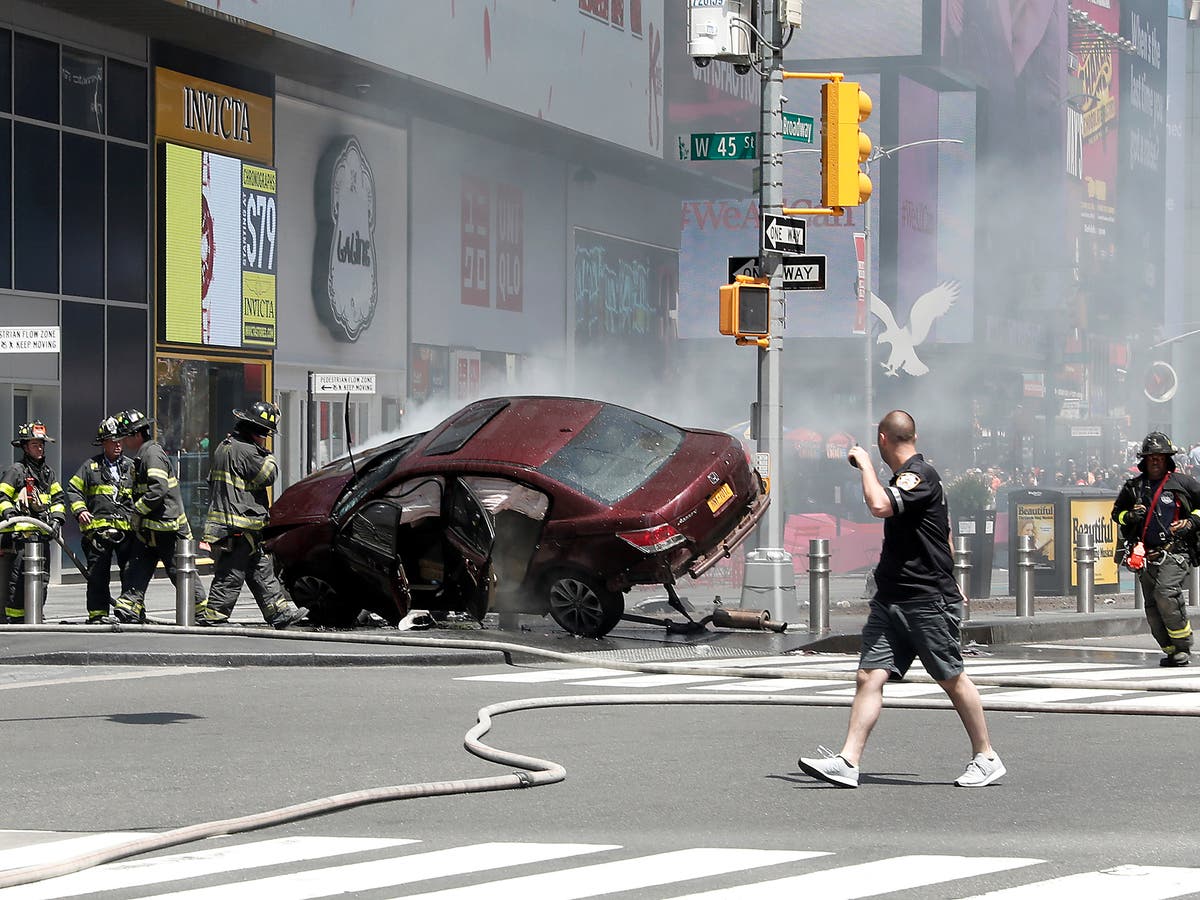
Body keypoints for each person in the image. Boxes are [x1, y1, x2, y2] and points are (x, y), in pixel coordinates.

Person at [798, 410, 1005, 789]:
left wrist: (862, 465)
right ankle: (848, 761)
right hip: (892, 599)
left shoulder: (919, 476)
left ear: (881, 440)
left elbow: (879, 505)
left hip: (925, 598)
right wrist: (955, 573)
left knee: (951, 677)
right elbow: (942, 531)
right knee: (868, 675)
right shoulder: (911, 478)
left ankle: (986, 756)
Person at [198, 401, 307, 628]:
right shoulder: (247, 451)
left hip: (233, 521)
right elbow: (267, 476)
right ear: (257, 431)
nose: (266, 439)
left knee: (260, 569)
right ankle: (216, 617)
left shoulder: (226, 445)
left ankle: (279, 614)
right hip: (238, 523)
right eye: (266, 434)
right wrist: (269, 456)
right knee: (232, 572)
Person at [1111, 432, 1200, 668]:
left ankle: (1182, 646)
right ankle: (1169, 649)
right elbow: (1116, 514)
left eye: (1160, 457)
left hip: (1175, 552)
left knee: (1165, 593)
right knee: (1151, 605)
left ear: (1168, 459)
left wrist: (1190, 522)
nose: (1155, 461)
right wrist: (1129, 516)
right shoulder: (1134, 487)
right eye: (1151, 457)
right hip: (1146, 557)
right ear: (1144, 460)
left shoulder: (1183, 483)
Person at [110, 408, 207, 624]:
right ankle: (129, 607)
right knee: (136, 567)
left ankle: (199, 611)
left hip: (167, 528)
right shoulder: (143, 454)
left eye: (125, 437)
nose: (123, 442)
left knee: (178, 571)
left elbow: (158, 489)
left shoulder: (152, 454)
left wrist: (137, 511)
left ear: (136, 435)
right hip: (151, 529)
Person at [65, 416, 136, 623]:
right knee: (98, 574)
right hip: (98, 533)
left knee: (131, 573)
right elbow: (74, 490)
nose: (117, 445)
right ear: (103, 442)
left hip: (127, 532)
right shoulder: (90, 467)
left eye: (120, 440)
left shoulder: (132, 467)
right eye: (113, 441)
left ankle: (129, 612)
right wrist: (80, 511)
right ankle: (98, 614)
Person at [0, 422, 68, 623]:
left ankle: (36, 616)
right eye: (35, 444)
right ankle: (15, 623)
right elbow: (1, 496)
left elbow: (58, 499)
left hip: (41, 539)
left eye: (41, 444)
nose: (40, 448)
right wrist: (10, 512)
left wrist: (57, 519)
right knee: (17, 583)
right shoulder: (16, 471)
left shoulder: (48, 473)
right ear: (25, 447)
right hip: (19, 542)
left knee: (41, 581)